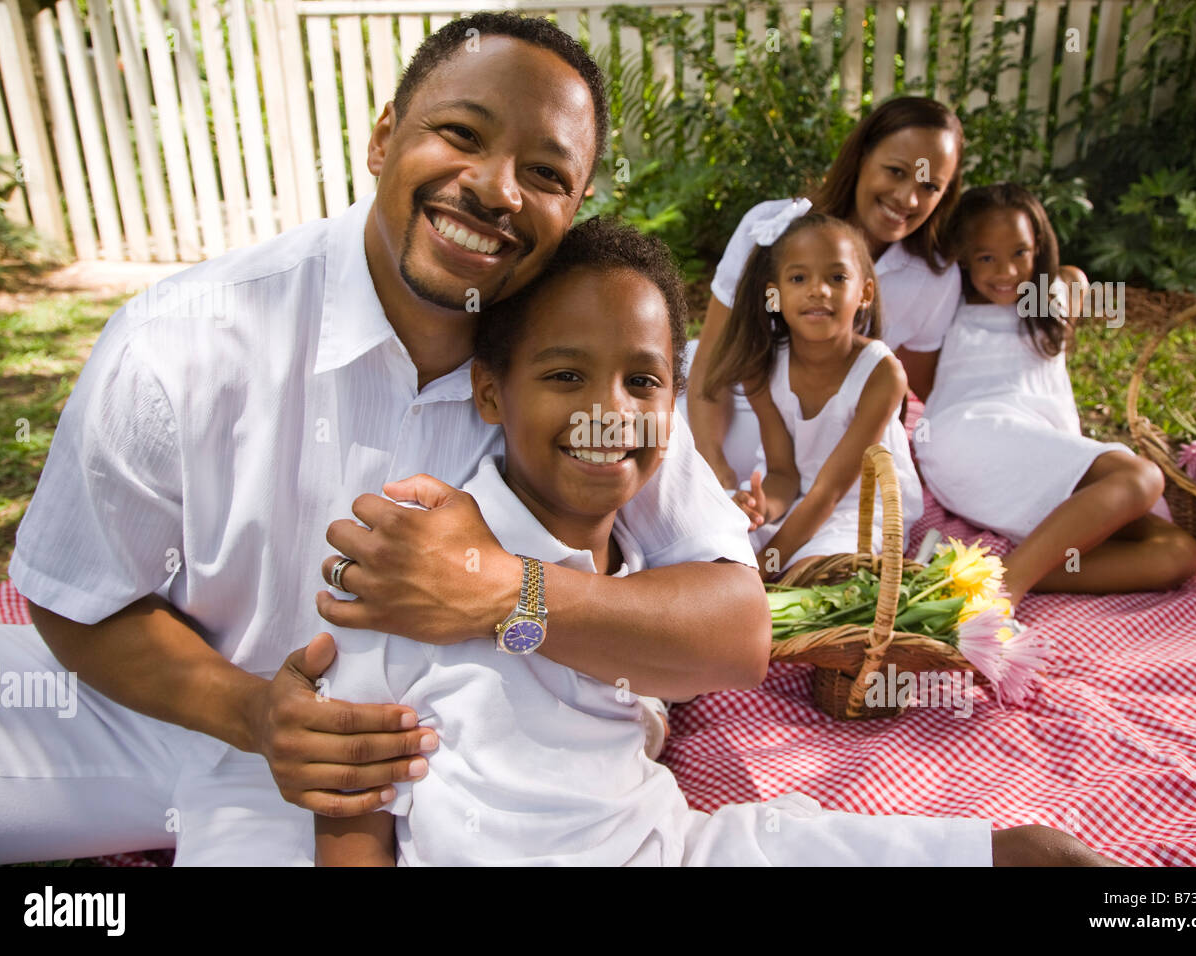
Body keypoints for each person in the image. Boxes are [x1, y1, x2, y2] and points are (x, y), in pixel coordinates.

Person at [0, 13, 770, 866]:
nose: (498, 189)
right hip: (162, 709)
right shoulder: (178, 342)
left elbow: (734, 633)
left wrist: (509, 593)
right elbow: (74, 593)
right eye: (461, 133)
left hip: (412, 764)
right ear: (384, 136)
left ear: (574, 208)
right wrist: (251, 713)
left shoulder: (574, 364)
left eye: (545, 172)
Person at [313, 217, 1114, 866]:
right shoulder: (401, 570)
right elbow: (352, 818)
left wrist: (511, 598)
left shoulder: (638, 552)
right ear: (491, 392)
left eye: (643, 381)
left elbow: (737, 638)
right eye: (565, 377)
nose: (610, 413)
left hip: (673, 847)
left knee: (1040, 859)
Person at [914, 183, 1196, 609]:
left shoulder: (1052, 302)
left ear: (1039, 249)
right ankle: (1003, 592)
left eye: (1020, 253)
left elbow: (1070, 279)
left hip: (1044, 451)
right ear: (963, 258)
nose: (1006, 271)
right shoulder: (950, 307)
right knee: (1141, 477)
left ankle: (988, 574)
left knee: (1177, 554)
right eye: (986, 257)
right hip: (971, 436)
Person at [686, 97, 964, 491]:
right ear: (862, 157)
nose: (908, 199)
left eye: (930, 186)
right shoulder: (770, 226)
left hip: (828, 452)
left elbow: (927, 392)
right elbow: (711, 366)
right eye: (895, 171)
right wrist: (714, 467)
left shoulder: (932, 275)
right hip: (723, 417)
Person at [701, 210, 921, 577]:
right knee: (714, 550)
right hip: (794, 500)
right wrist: (762, 508)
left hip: (859, 508)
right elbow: (783, 473)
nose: (818, 290)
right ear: (776, 294)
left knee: (812, 575)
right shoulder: (764, 366)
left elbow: (829, 493)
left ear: (864, 292)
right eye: (799, 278)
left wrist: (765, 569)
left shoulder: (882, 373)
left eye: (837, 277)